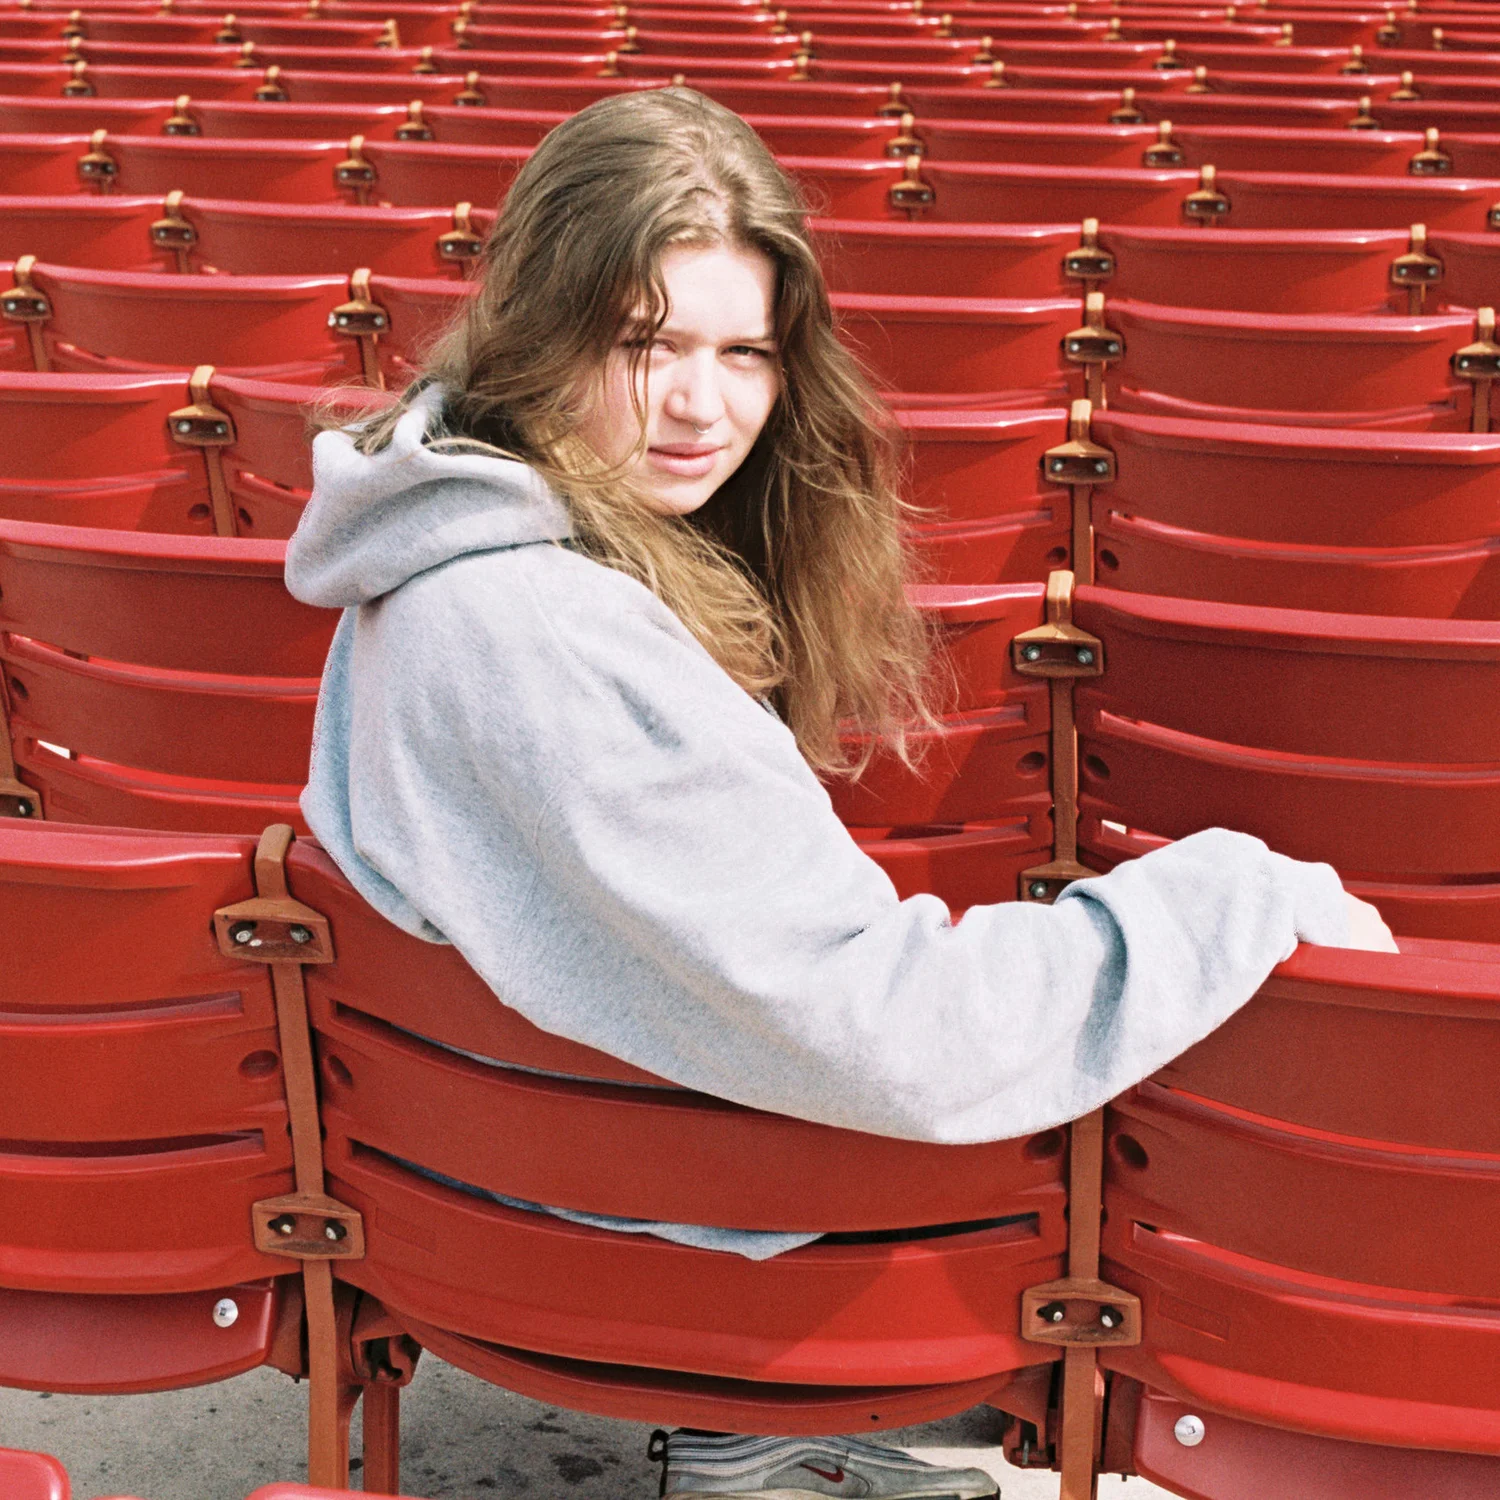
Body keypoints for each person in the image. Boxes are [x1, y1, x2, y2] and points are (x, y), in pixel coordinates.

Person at [285, 86, 1396, 1500]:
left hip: (520, 1185)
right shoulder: (546, 642)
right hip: (670, 1227)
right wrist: (1227, 897)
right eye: (646, 345)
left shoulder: (426, 550)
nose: (705, 406)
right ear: (538, 326)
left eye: (745, 354)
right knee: (1233, 1017)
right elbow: (901, 1036)